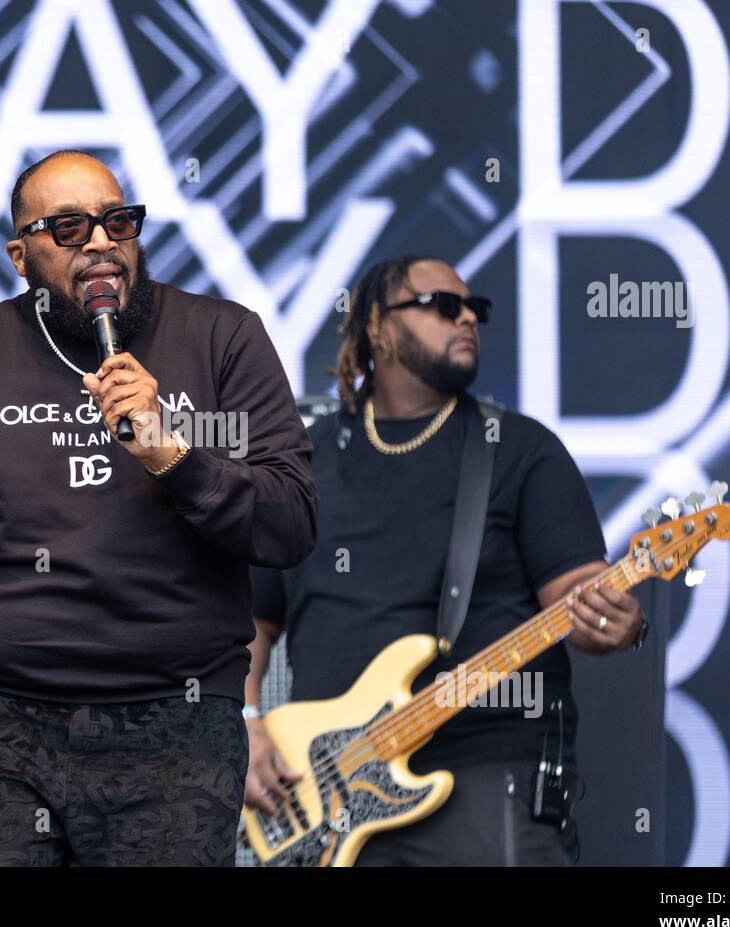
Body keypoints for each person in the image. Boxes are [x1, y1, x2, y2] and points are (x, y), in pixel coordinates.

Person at [0, 149, 317, 865]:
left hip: (175, 723)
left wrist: (172, 455)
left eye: (117, 221)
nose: (99, 242)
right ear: (20, 256)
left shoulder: (221, 339)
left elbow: (289, 524)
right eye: (67, 228)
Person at [245, 254, 644, 866]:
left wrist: (611, 619)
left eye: (474, 308)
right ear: (377, 327)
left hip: (485, 776)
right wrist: (245, 724)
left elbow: (580, 596)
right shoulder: (306, 464)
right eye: (442, 305)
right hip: (326, 800)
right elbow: (248, 624)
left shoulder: (518, 450)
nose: (466, 318)